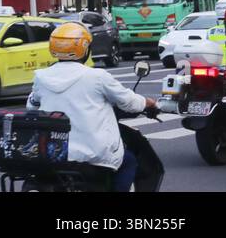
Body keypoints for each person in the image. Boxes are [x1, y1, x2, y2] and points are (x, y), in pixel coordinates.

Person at [27, 22, 158, 192]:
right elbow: (129, 102)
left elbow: (32, 106)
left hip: (55, 154)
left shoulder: (41, 77)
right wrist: (150, 103)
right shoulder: (97, 76)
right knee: (129, 161)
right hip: (93, 157)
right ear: (84, 48)